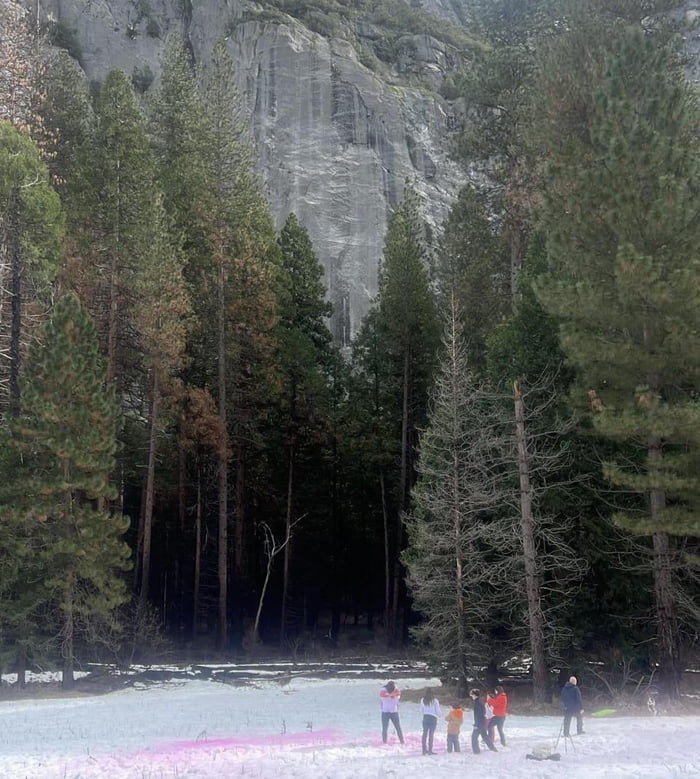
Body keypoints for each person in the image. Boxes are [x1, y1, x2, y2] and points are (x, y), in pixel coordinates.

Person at [470, 688, 497, 753]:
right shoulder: (481, 700)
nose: (471, 697)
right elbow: (483, 712)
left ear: (475, 695)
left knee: (474, 737)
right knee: (485, 736)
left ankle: (476, 751)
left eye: (472, 695)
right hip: (483, 721)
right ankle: (493, 749)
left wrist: (476, 724)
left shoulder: (477, 703)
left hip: (480, 723)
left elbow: (477, 715)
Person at [420, 687, 441, 754]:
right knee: (431, 734)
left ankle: (424, 750)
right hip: (433, 718)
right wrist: (439, 715)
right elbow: (438, 711)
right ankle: (430, 750)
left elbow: (421, 710)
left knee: (424, 733)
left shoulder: (423, 700)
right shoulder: (435, 701)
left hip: (425, 717)